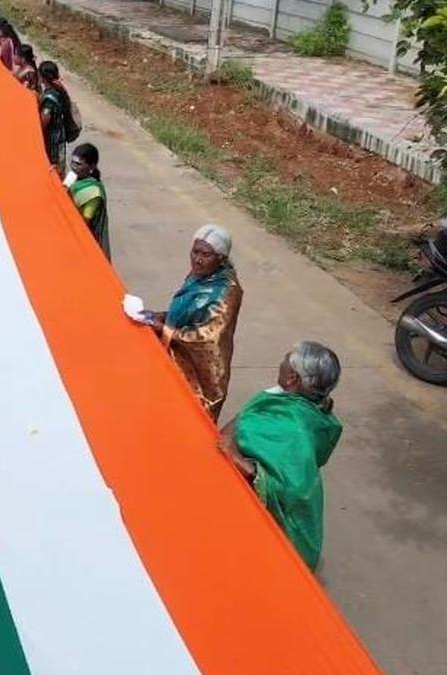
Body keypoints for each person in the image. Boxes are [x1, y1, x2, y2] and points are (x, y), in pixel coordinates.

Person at [219, 341, 343, 571]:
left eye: (284, 362)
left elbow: (291, 487)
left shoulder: (292, 429)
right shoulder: (316, 411)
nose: (280, 364)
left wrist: (239, 460)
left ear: (292, 379)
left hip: (284, 533)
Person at [142, 225, 243, 420]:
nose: (198, 259)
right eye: (195, 252)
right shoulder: (199, 276)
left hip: (200, 374)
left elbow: (208, 337)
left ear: (221, 258)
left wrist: (164, 329)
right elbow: (185, 312)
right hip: (176, 354)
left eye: (206, 254)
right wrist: (161, 316)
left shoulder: (227, 292)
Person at [68, 143, 110, 259]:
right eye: (72, 162)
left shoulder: (94, 193)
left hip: (82, 243)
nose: (73, 167)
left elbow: (83, 223)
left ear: (91, 167)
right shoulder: (74, 180)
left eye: (78, 164)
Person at [38, 61, 70, 172]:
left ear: (42, 77)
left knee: (53, 169)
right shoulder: (59, 90)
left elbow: (44, 120)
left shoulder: (49, 97)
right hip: (59, 137)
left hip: (52, 141)